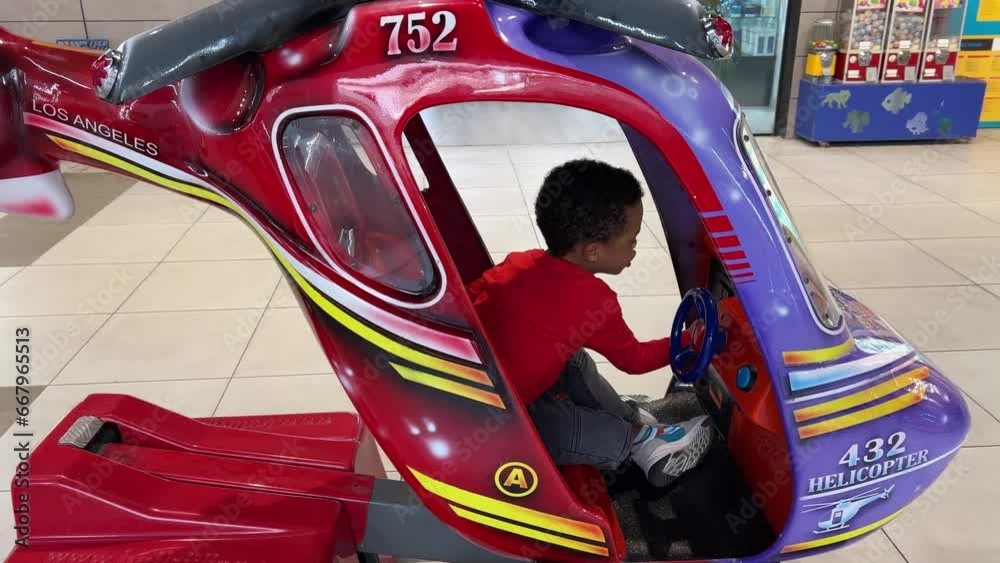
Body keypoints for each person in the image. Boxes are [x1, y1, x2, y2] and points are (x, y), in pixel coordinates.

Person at [467, 159, 713, 487]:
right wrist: (688, 342)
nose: (635, 250)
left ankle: (626, 415)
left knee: (573, 359)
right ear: (593, 252)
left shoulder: (519, 262)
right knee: (548, 424)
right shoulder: (595, 301)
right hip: (491, 423)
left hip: (478, 386)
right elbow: (635, 361)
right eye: (632, 240)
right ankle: (644, 444)